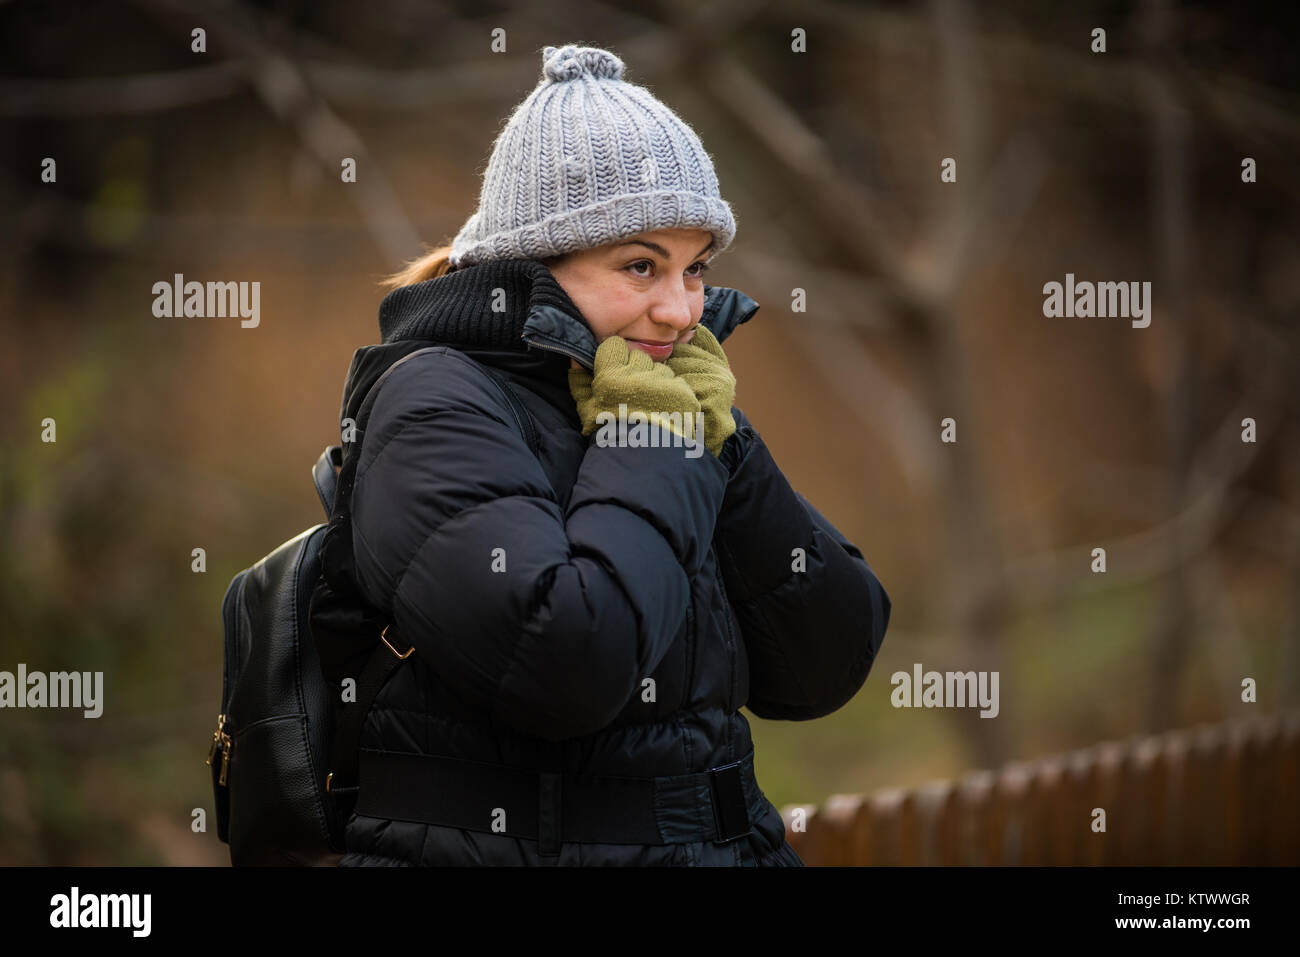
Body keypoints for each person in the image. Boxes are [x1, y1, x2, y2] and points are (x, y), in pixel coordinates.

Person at [325, 43, 891, 866]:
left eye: (696, 268)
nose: (680, 309)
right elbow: (568, 660)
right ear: (534, 265)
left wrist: (710, 439)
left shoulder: (657, 389)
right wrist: (655, 437)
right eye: (640, 266)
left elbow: (825, 662)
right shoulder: (434, 404)